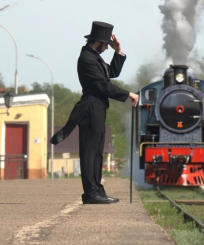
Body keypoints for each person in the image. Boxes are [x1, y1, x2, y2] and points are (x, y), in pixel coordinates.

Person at [50, 21, 139, 204]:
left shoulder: (94, 57)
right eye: (106, 44)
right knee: (90, 151)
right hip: (90, 107)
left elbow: (111, 73)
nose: (107, 48)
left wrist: (118, 51)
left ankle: (98, 190)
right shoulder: (87, 59)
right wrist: (128, 94)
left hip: (98, 107)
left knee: (97, 151)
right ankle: (90, 193)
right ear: (97, 42)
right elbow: (103, 85)